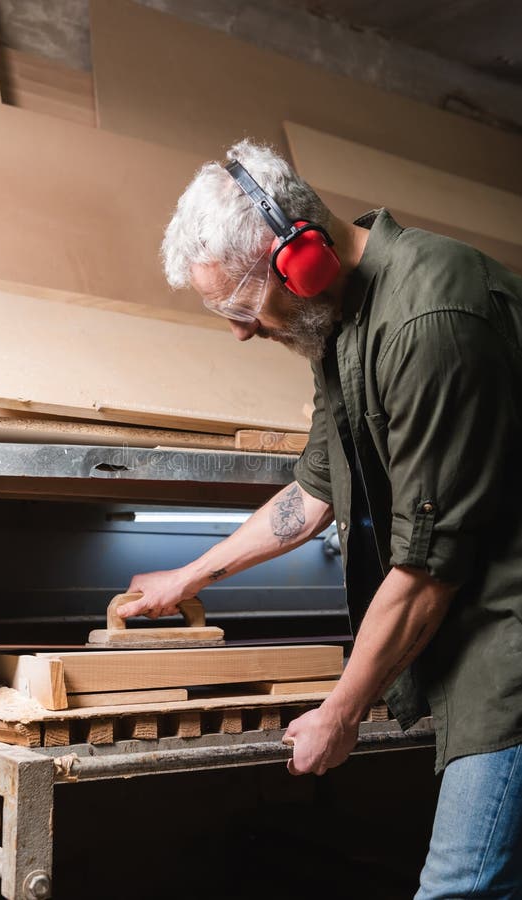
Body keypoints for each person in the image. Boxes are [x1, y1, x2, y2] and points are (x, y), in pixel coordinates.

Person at [119, 140, 522, 897]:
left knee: (461, 887)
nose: (239, 332)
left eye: (241, 308)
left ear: (299, 258)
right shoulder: (337, 325)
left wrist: (342, 710)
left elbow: (429, 566)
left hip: (509, 627)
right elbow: (314, 491)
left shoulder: (429, 320)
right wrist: (188, 574)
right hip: (479, 617)